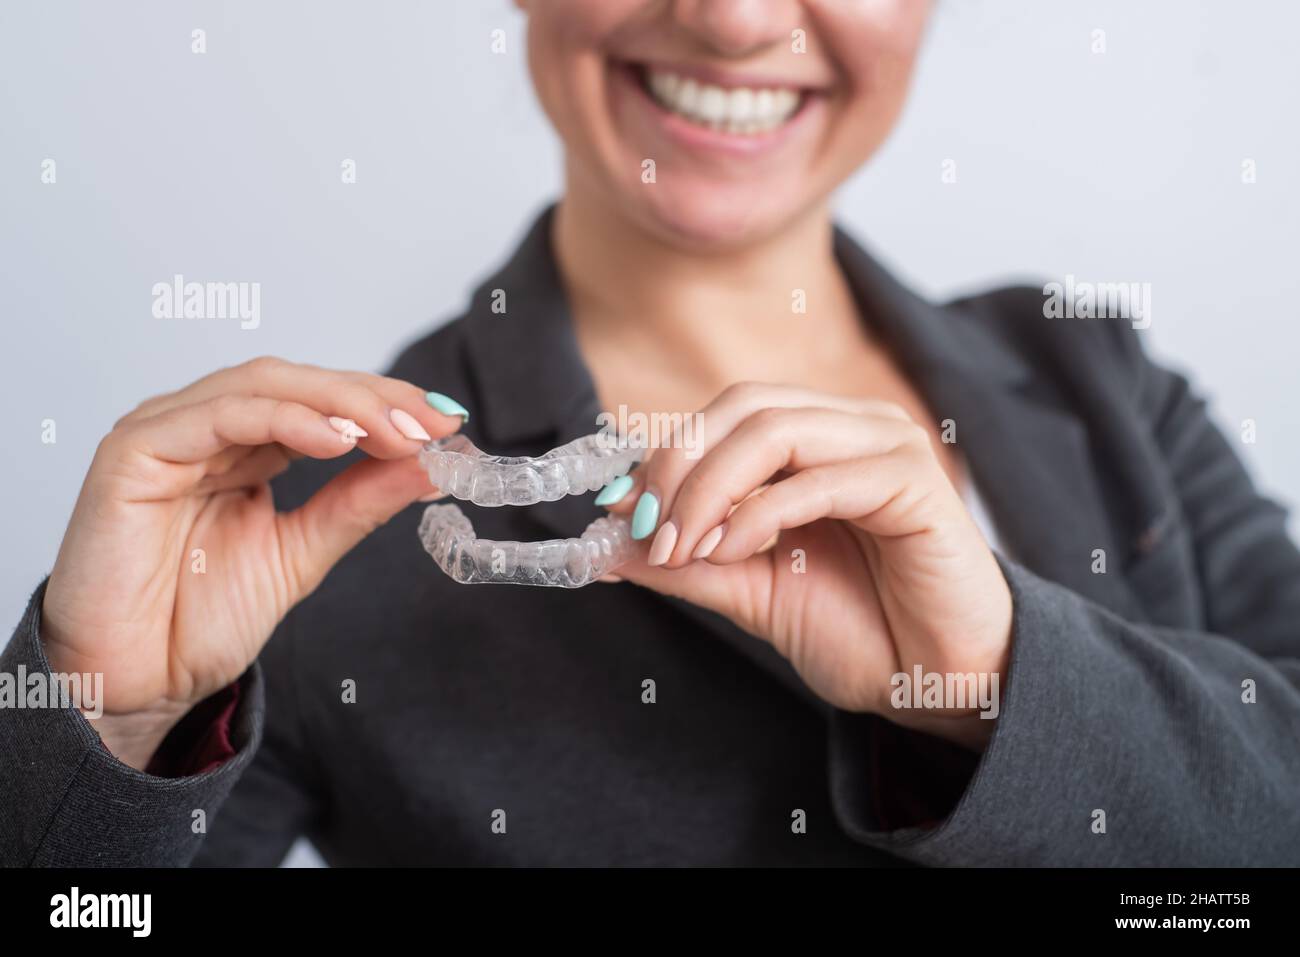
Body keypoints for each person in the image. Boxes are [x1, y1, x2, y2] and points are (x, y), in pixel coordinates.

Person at [3, 0, 1298, 867]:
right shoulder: (297, 530)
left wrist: (996, 681)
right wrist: (92, 728)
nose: (733, 18)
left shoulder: (1102, 383)